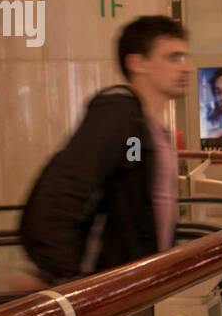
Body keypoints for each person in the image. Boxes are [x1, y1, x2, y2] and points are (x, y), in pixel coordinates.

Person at [20, 15, 192, 284]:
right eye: (173, 57)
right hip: (114, 291)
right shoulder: (116, 115)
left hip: (144, 283)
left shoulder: (150, 128)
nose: (186, 68)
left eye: (184, 57)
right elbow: (62, 192)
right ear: (137, 63)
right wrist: (69, 278)